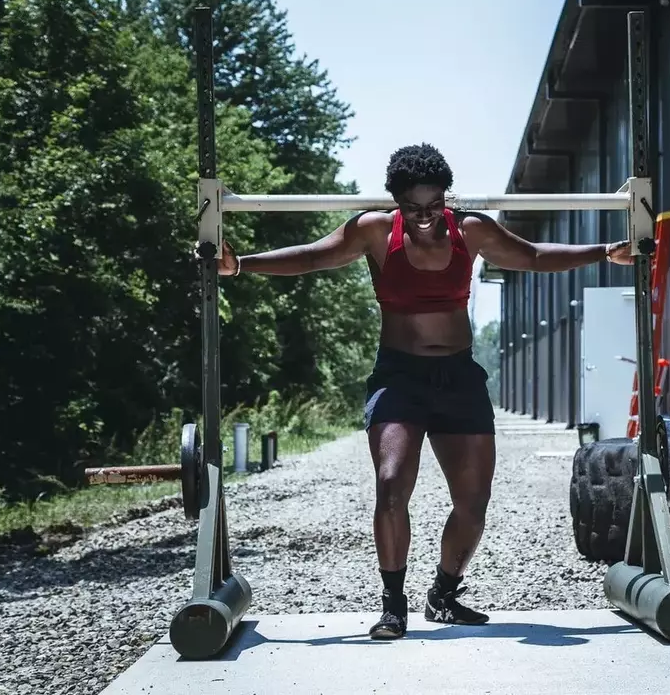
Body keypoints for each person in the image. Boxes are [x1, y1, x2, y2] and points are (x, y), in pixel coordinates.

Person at [215, 143, 633, 639]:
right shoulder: (374, 231)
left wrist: (606, 251)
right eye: (414, 208)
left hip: (458, 377)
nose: (426, 217)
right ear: (397, 202)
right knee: (391, 485)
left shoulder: (470, 229)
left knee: (473, 503)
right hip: (399, 378)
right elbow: (312, 257)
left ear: (445, 198)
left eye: (434, 205)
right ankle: (394, 605)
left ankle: (445, 594)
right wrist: (240, 264)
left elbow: (534, 255)